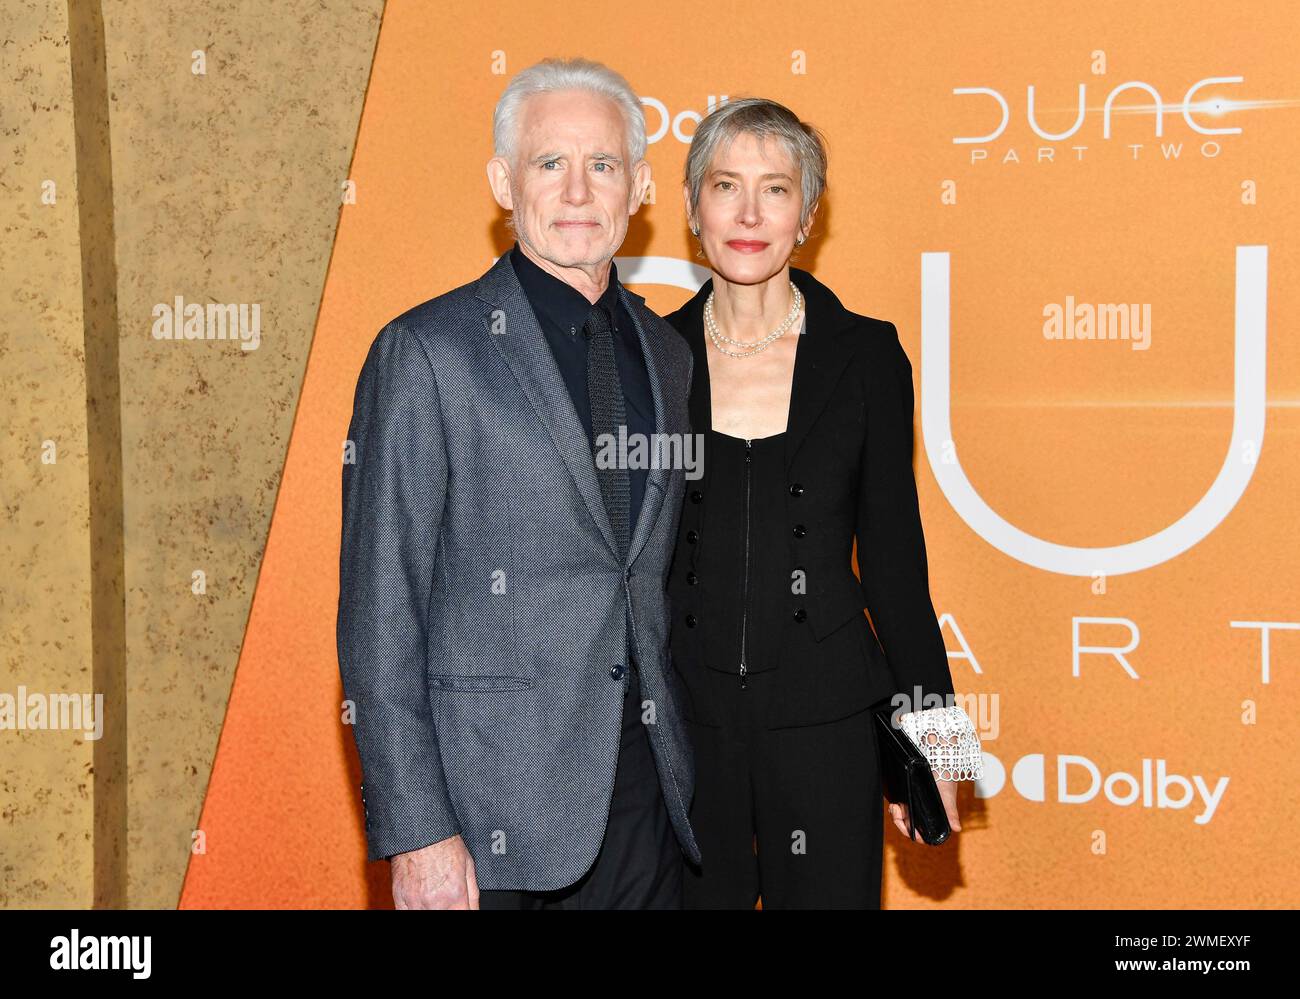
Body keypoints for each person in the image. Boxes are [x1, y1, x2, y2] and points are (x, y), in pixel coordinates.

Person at [337, 57, 699, 909]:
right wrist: (418, 829)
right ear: (503, 181)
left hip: (648, 807)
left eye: (602, 165)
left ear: (640, 186)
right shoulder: (428, 351)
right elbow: (379, 612)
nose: (578, 190)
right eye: (549, 163)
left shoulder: (668, 355)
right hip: (488, 820)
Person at [664, 97, 984, 909]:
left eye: (775, 189)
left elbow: (895, 565)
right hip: (682, 725)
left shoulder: (865, 354)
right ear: (692, 206)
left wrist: (938, 744)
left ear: (807, 213)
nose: (747, 212)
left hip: (829, 722)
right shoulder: (649, 356)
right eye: (724, 185)